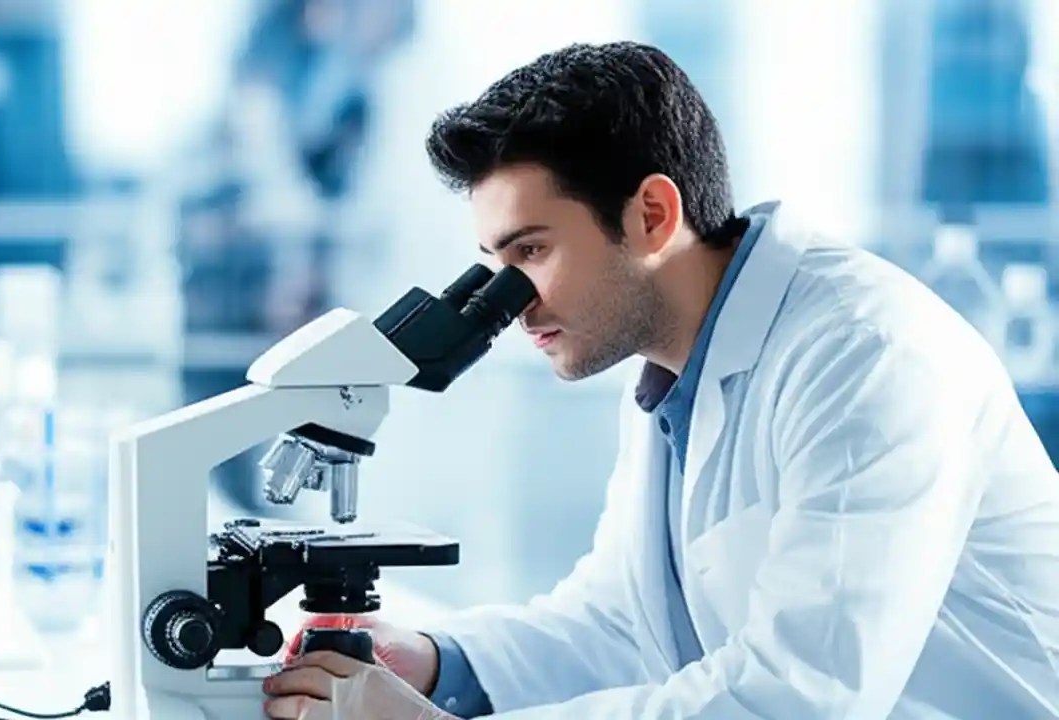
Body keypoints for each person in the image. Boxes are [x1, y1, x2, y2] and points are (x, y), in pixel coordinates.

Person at [262, 41, 1059, 719]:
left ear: (652, 215)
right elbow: (621, 625)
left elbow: (798, 696)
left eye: (531, 251)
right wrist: (438, 663)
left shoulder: (864, 355)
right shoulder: (669, 370)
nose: (510, 303)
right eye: (494, 264)